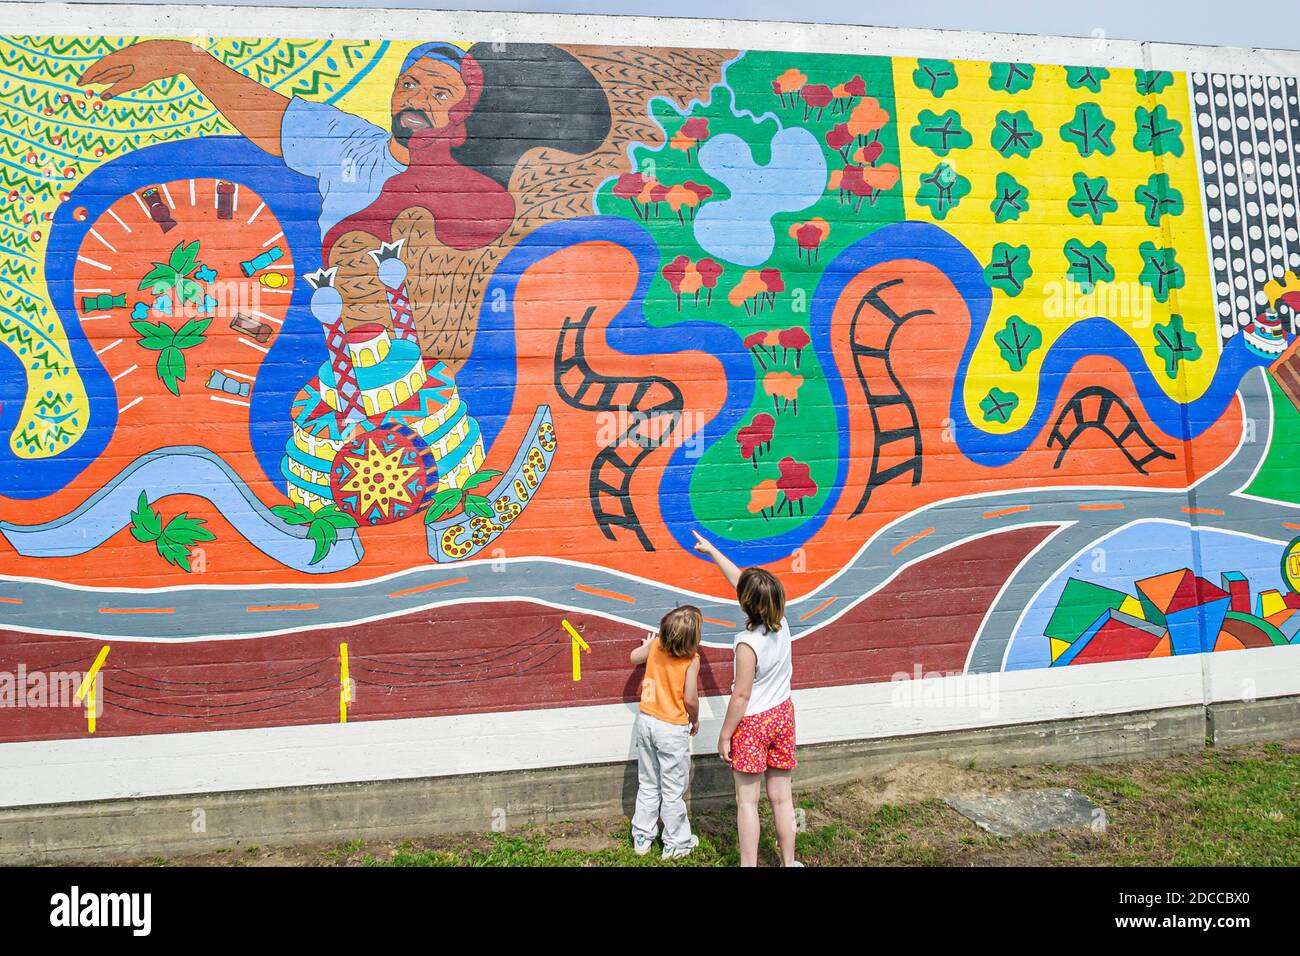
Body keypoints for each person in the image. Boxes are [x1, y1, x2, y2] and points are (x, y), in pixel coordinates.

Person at [692, 529, 800, 867]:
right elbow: (743, 582)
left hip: (753, 723)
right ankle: (789, 862)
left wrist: (725, 734)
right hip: (783, 715)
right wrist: (713, 551)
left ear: (746, 605)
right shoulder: (781, 622)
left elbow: (741, 695)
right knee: (783, 799)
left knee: (747, 803)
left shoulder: (746, 644)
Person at [629, 605, 703, 860]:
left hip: (646, 722)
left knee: (648, 782)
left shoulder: (657, 645)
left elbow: (633, 657)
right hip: (672, 729)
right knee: (673, 789)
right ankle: (675, 842)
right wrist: (694, 719)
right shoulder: (692, 660)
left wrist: (648, 644)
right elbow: (691, 699)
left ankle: (642, 836)